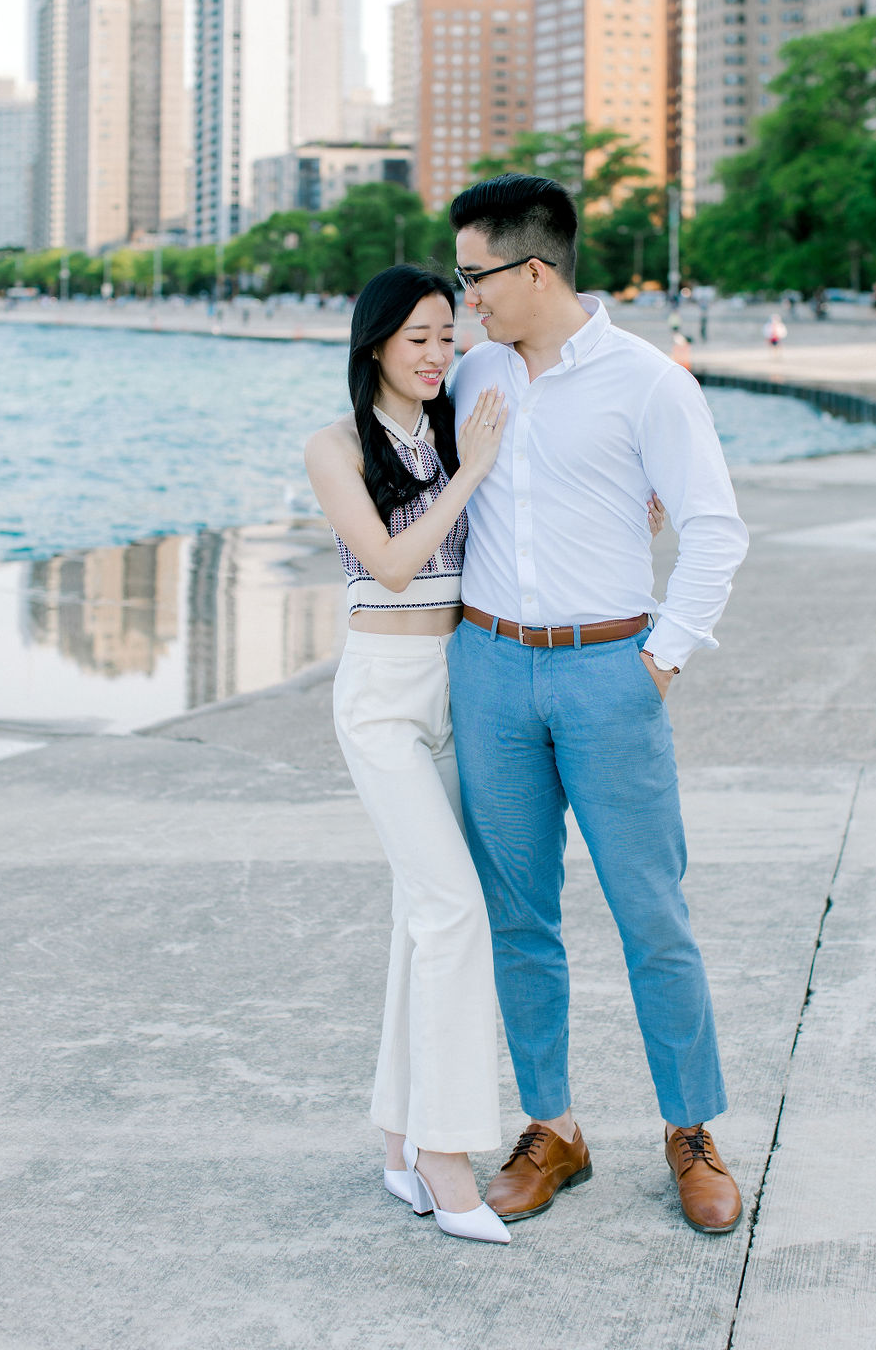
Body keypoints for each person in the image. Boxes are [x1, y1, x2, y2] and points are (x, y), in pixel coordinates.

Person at [445, 174, 750, 1236]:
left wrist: (658, 661)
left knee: (650, 913)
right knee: (519, 915)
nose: (464, 297)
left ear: (536, 269)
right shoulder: (470, 370)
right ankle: (554, 1128)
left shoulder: (645, 382)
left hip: (608, 670)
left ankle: (691, 1130)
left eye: (475, 274)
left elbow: (714, 527)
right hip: (486, 667)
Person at [304, 264, 512, 1245]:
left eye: (448, 337)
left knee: (420, 918)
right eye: (419, 337)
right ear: (376, 342)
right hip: (383, 701)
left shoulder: (450, 427)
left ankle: (396, 1136)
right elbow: (389, 565)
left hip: (459, 689)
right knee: (452, 910)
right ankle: (444, 1148)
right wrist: (469, 471)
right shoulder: (334, 447)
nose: (437, 355)